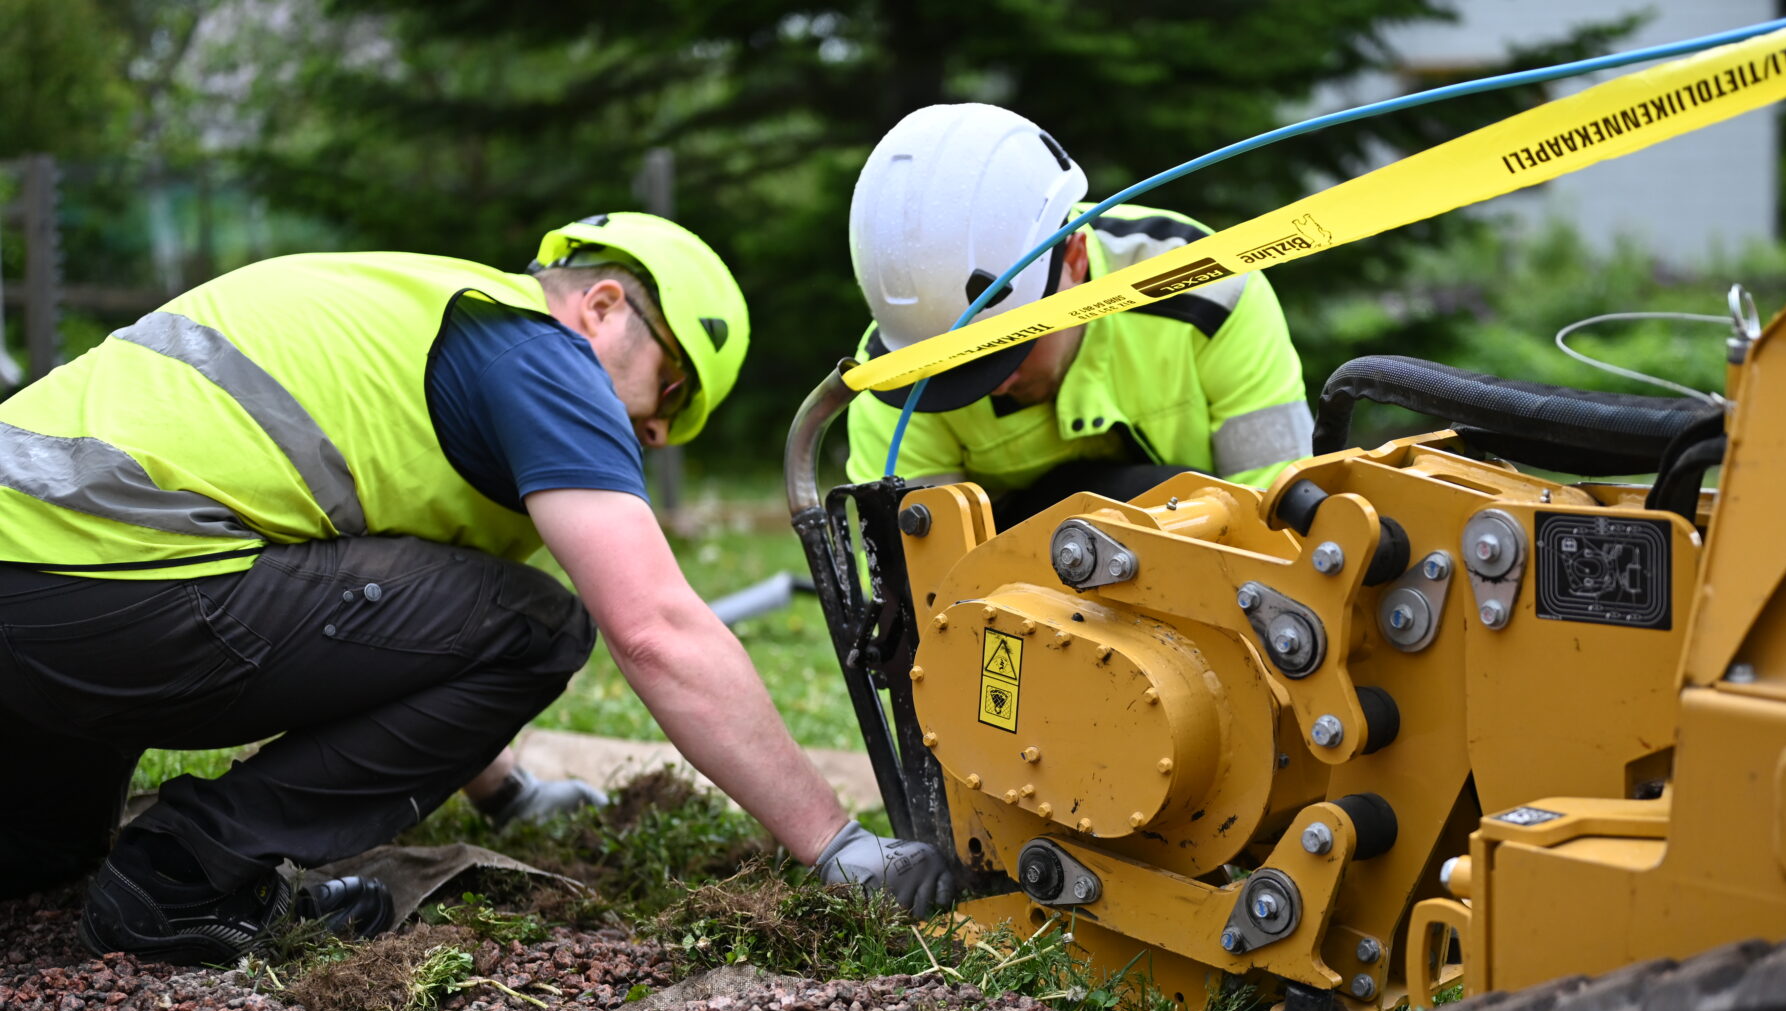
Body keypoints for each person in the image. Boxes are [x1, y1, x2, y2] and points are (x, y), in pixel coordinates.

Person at [0, 212, 954, 963]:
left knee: (45, 860)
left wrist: (505, 795)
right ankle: (184, 873)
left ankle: (40, 848)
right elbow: (657, 629)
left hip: (42, 593)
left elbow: (389, 623)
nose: (656, 436)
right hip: (119, 586)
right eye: (670, 396)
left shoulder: (420, 327)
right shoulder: (536, 354)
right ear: (607, 307)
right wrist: (840, 847)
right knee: (540, 629)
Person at [845, 103, 1314, 527]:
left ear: (1074, 258)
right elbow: (919, 595)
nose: (996, 382)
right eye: (953, 370)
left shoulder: (1212, 291)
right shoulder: (896, 383)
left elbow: (1276, 523)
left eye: (1008, 346)